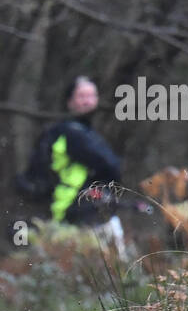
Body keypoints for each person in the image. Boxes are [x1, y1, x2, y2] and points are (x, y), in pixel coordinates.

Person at [16, 76, 123, 225]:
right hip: (69, 209)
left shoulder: (84, 132)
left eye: (92, 96)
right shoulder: (70, 133)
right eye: (82, 96)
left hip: (76, 208)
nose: (88, 101)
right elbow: (110, 166)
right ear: (69, 101)